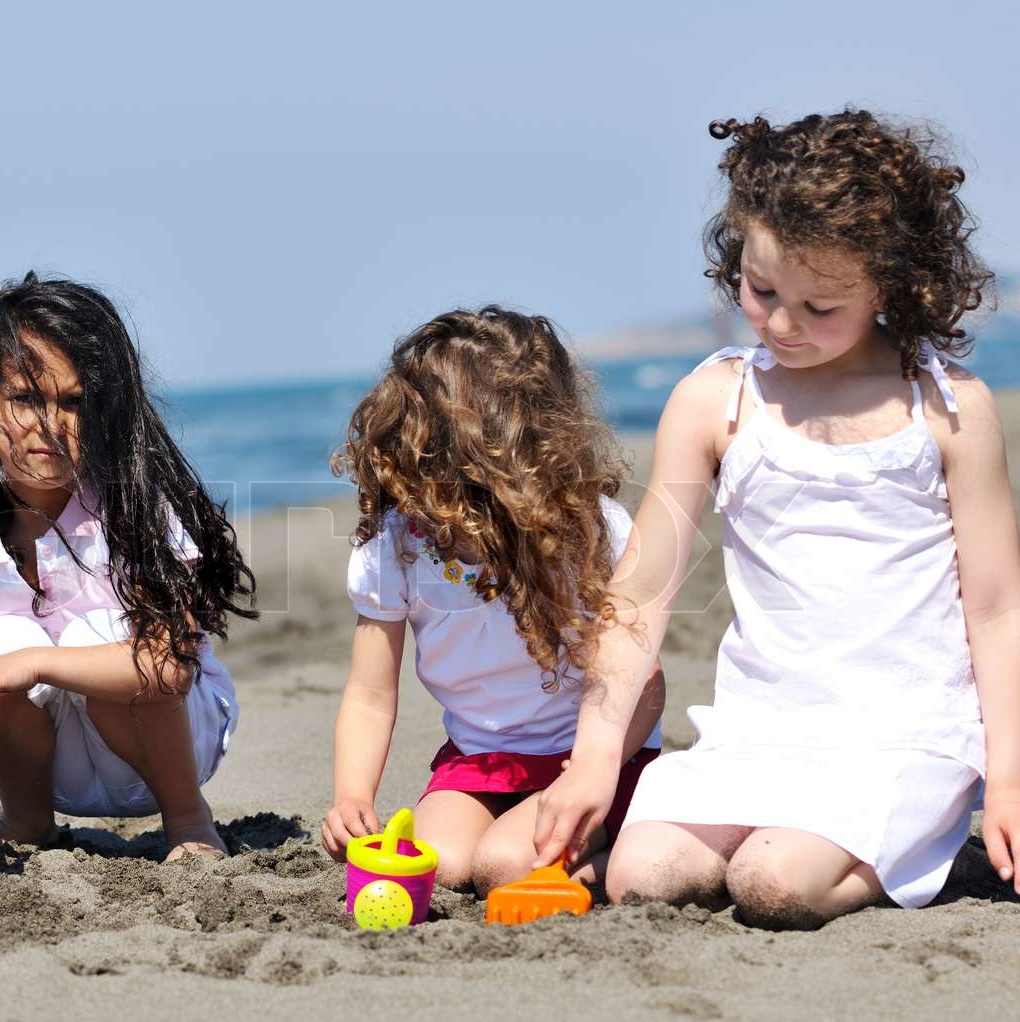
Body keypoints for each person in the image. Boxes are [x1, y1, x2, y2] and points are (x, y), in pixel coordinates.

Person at [534, 110, 1018, 928]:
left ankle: (934, 845)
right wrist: (592, 760)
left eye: (819, 305)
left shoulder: (946, 408)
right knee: (640, 875)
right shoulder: (714, 400)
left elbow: (998, 607)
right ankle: (876, 847)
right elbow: (640, 594)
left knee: (773, 881)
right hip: (761, 733)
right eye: (761, 292)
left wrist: (1006, 773)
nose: (783, 323)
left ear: (890, 286)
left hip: (903, 737)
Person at [0, 273, 256, 861]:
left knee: (97, 634)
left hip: (173, 744)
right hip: (55, 766)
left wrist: (35, 662)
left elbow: (169, 669)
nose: (50, 424)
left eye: (73, 402)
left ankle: (189, 822)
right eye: (24, 398)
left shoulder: (134, 508)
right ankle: (28, 820)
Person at [319, 306, 664, 893]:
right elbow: (371, 692)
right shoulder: (400, 544)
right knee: (443, 865)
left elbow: (646, 687)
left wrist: (587, 771)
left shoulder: (591, 530)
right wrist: (352, 796)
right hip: (480, 759)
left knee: (503, 864)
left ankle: (614, 861)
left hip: (596, 756)